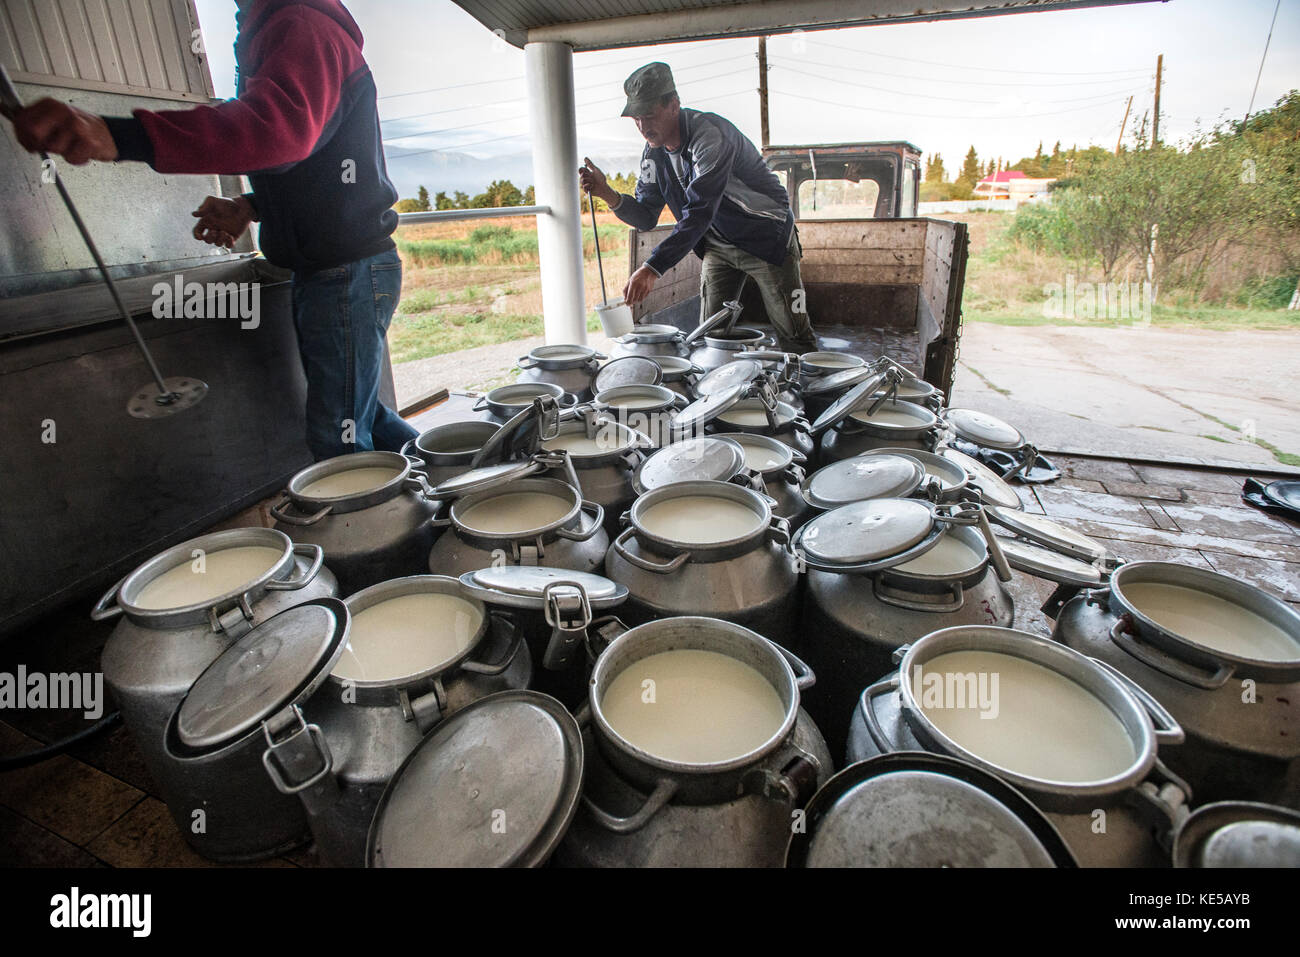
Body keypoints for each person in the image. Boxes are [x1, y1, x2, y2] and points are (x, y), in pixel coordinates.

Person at [10, 0, 415, 462]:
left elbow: (277, 134)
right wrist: (252, 205)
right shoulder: (277, 25)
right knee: (364, 418)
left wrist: (120, 136)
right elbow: (319, 159)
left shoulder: (300, 24)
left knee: (338, 441)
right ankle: (453, 480)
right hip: (335, 270)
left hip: (346, 273)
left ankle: (396, 522)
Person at [580, 62, 817, 353]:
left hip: (766, 237)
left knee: (794, 334)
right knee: (709, 336)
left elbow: (699, 212)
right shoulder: (653, 154)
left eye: (650, 115)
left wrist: (652, 268)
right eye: (636, 119)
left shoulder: (710, 136)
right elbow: (645, 216)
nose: (643, 127)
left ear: (674, 105)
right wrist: (606, 192)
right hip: (718, 244)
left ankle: (809, 392)